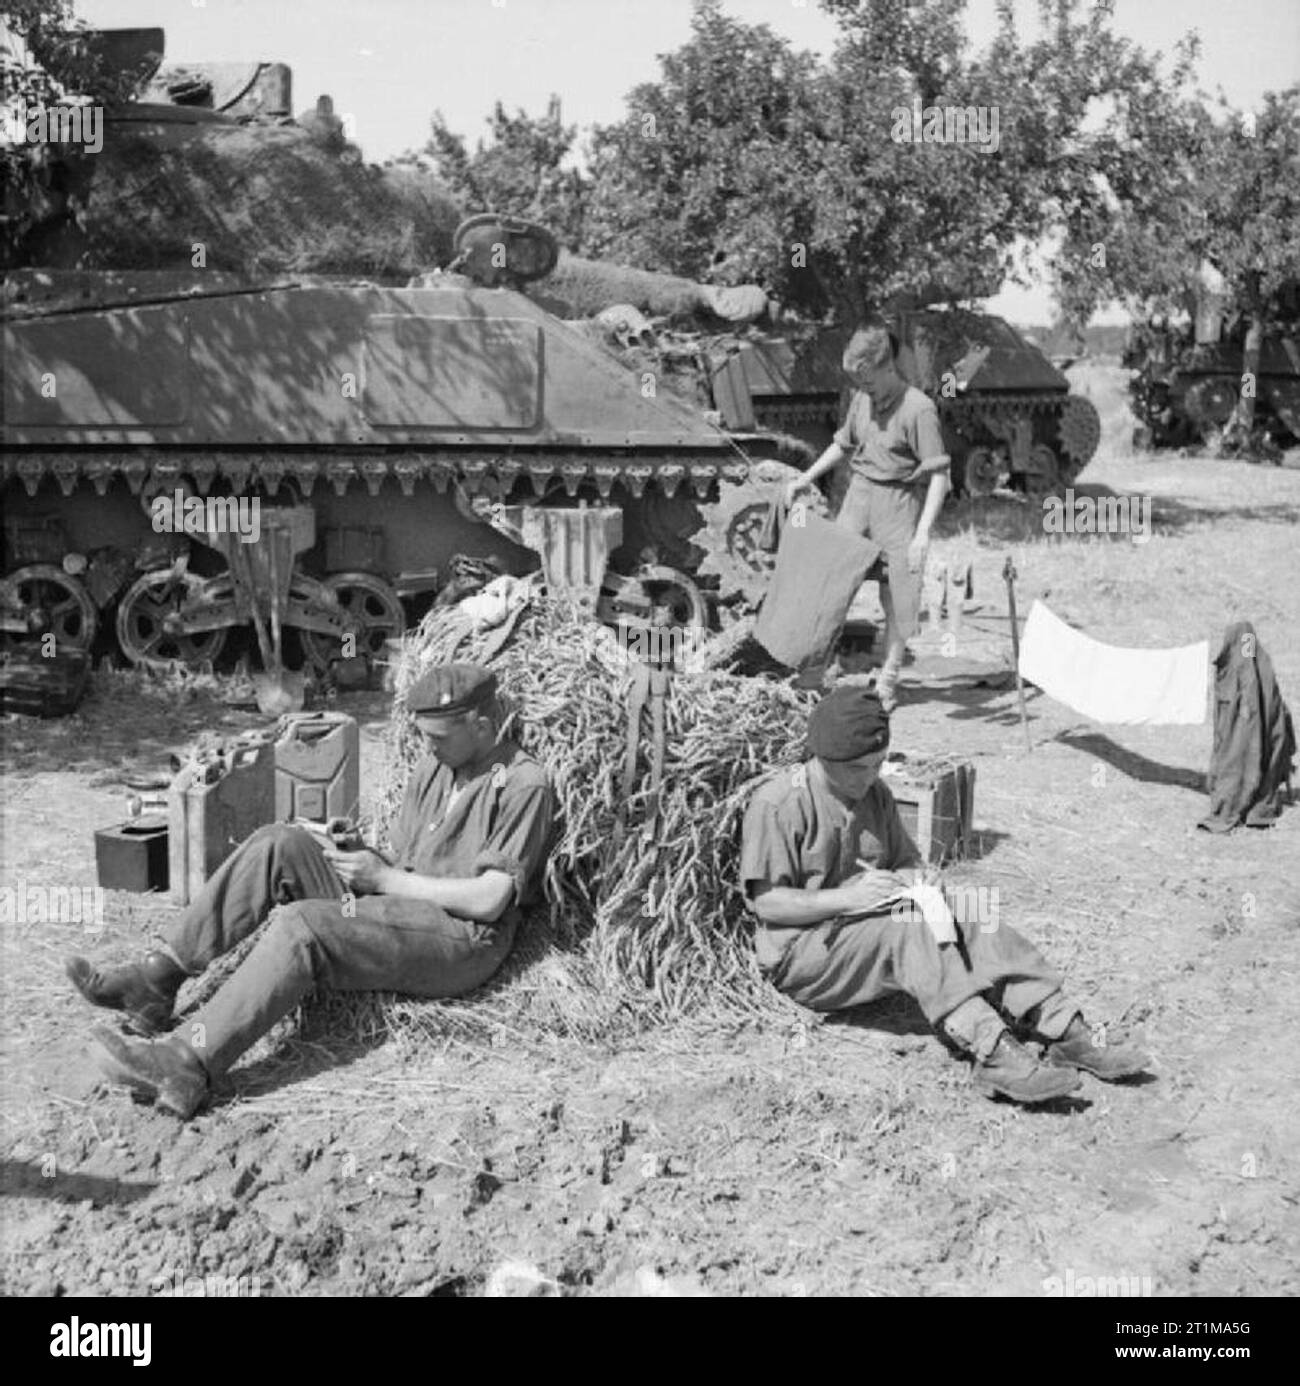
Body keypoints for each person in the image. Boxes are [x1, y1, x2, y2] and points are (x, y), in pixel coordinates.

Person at [67, 664, 555, 1119]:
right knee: (279, 843)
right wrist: (357, 852)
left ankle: (186, 1061)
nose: (428, 749)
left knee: (304, 926)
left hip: (461, 939)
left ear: (483, 728)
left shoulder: (522, 784)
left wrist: (384, 881)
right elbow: (404, 861)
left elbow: (491, 899)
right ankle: (155, 982)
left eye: (438, 738)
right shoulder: (436, 768)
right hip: (403, 907)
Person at [739, 684, 1151, 1105]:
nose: (872, 776)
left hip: (867, 928)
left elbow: (906, 861)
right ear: (825, 759)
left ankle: (1063, 1027)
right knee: (908, 929)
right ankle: (992, 1051)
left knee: (971, 910)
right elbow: (768, 903)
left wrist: (924, 880)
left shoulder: (875, 793)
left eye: (879, 764)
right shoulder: (779, 802)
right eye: (861, 768)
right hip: (806, 954)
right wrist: (849, 899)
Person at [786, 324, 951, 711]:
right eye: (858, 382)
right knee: (834, 581)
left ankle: (889, 678)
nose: (866, 389)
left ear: (887, 366)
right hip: (859, 496)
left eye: (869, 380)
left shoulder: (919, 410)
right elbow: (841, 445)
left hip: (898, 503)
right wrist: (805, 478)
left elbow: (939, 476)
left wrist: (922, 535)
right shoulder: (861, 399)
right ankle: (817, 670)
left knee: (898, 595)